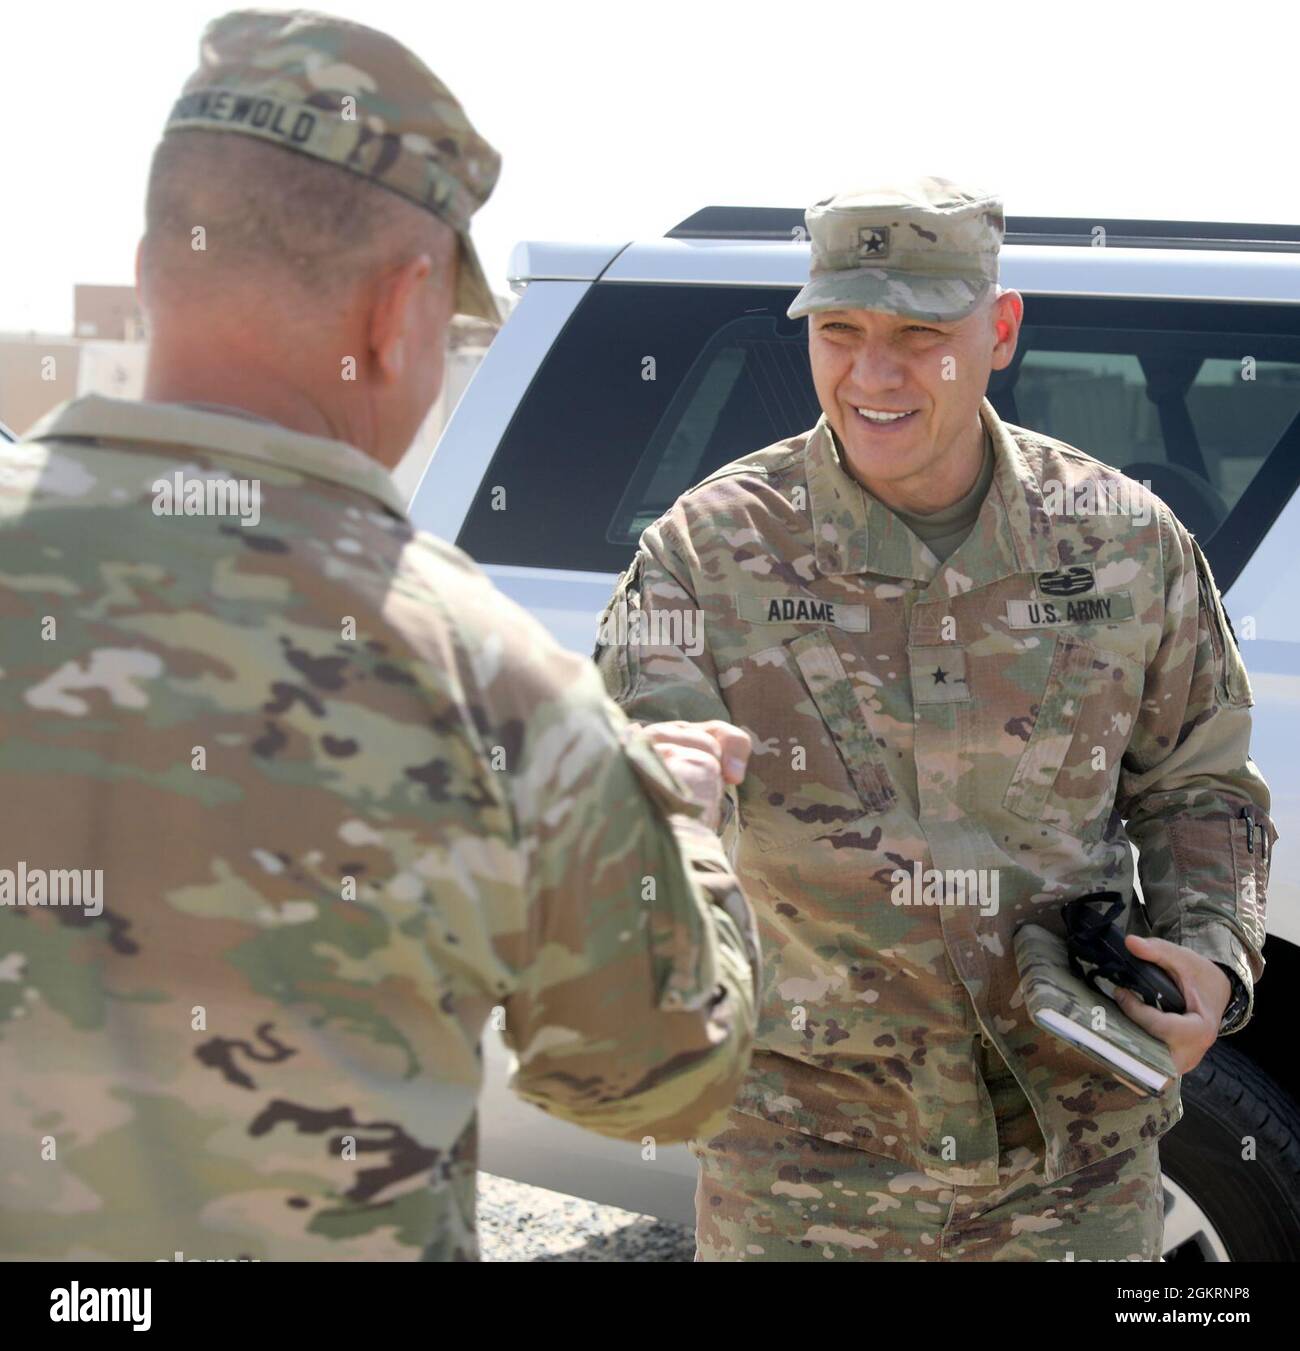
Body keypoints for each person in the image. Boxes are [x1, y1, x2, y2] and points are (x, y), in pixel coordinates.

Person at [0, 9, 759, 1262]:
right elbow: (653, 1081)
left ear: (151, 263)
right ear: (400, 310)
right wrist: (679, 818)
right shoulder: (488, 674)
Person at [595, 177, 1275, 1261]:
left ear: (997, 330)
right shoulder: (705, 552)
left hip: (1074, 1156)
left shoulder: (1128, 546)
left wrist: (1207, 953)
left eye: (919, 331)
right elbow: (640, 770)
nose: (872, 372)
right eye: (839, 329)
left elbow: (1199, 787)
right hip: (805, 1167)